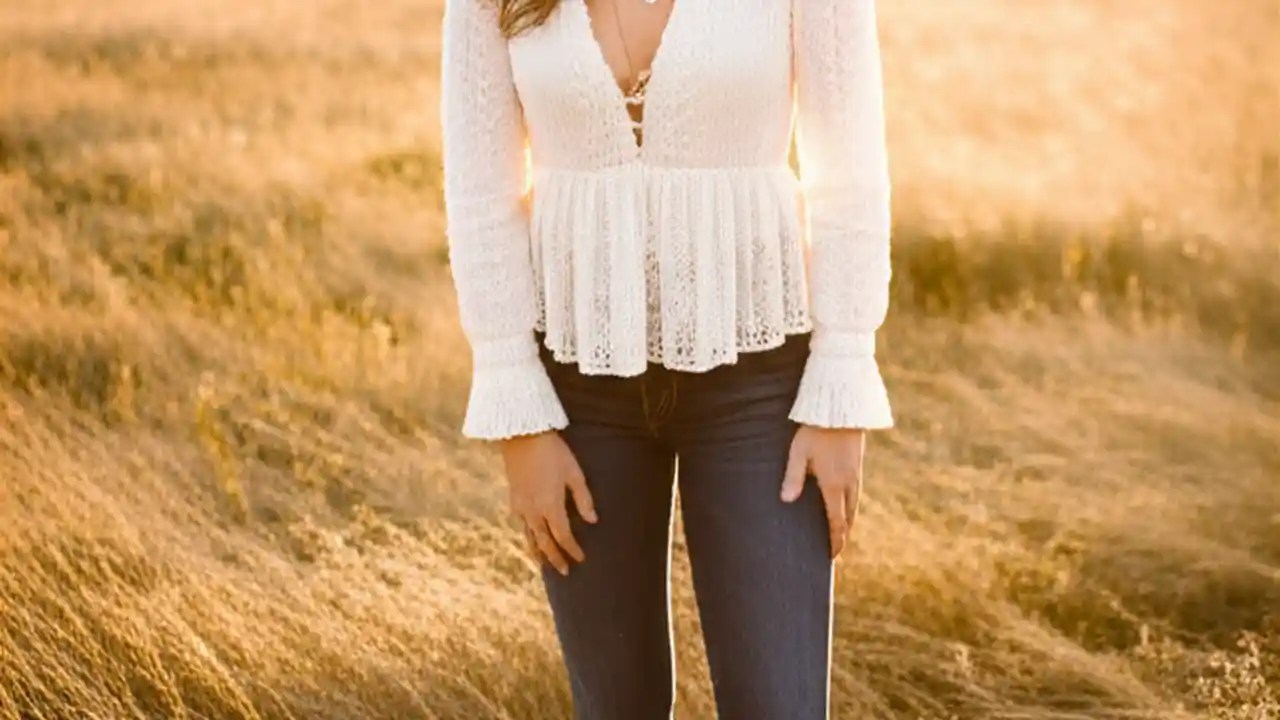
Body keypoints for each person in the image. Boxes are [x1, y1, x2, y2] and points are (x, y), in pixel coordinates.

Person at [438, 0, 895, 716]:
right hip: (577, 391)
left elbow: (851, 169)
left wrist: (843, 373)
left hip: (760, 383)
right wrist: (515, 409)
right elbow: (479, 194)